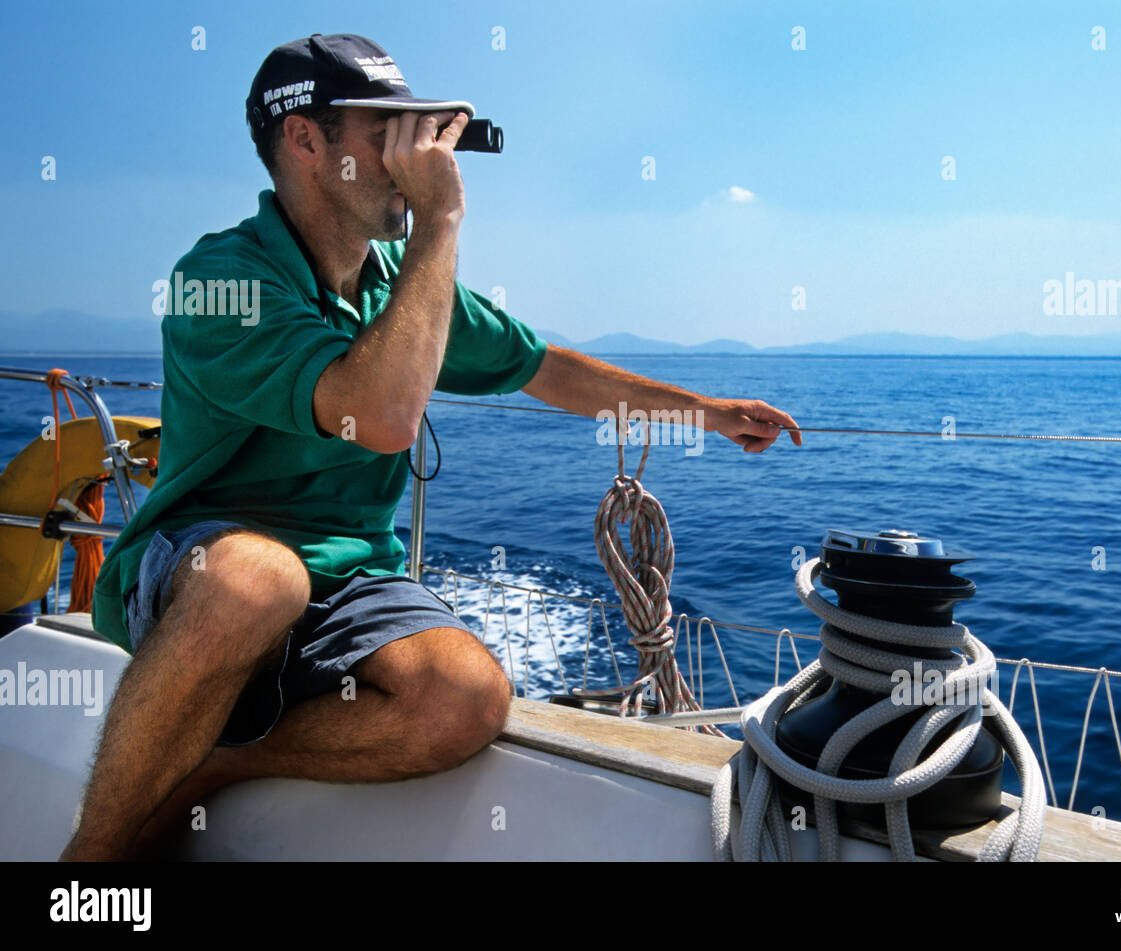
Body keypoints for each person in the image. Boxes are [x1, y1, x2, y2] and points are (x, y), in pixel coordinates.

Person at [63, 33, 801, 861]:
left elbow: (544, 368)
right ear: (306, 141)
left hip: (349, 576)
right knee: (259, 581)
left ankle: (208, 769)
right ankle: (89, 863)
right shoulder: (219, 282)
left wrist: (704, 410)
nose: (412, 160)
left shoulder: (397, 289)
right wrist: (441, 219)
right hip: (201, 570)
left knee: (467, 697)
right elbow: (376, 415)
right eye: (386, 132)